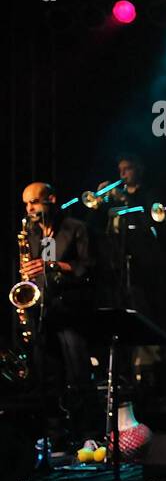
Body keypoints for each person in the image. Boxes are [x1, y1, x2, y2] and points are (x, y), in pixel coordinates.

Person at [17, 182, 94, 452]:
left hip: (72, 310)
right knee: (48, 378)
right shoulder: (30, 233)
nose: (30, 209)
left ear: (51, 199)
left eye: (34, 203)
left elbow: (89, 269)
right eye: (26, 204)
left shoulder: (76, 228)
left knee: (79, 375)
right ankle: (54, 436)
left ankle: (88, 434)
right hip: (44, 312)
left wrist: (52, 265)